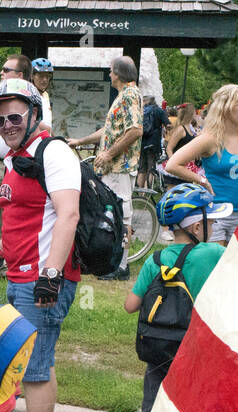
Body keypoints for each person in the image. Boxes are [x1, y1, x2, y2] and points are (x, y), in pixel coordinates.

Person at [0, 78, 80, 412]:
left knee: (34, 371)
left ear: (35, 112)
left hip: (42, 279)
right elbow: (25, 224)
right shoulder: (15, 158)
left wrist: (52, 274)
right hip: (23, 275)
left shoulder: (53, 153)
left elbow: (67, 215)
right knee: (38, 366)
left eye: (14, 116)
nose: (6, 124)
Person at [127, 183, 229, 412]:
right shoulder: (212, 253)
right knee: (192, 402)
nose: (213, 227)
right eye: (211, 222)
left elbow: (130, 305)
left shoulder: (155, 260)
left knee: (154, 390)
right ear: (196, 226)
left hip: (157, 345)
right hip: (193, 346)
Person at [67, 55, 143, 279]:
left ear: (118, 74)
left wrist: (108, 154)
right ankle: (111, 262)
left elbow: (135, 130)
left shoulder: (129, 95)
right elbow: (109, 131)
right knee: (114, 213)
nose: (109, 74)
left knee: (122, 217)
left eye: (111, 71)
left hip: (120, 167)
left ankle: (120, 266)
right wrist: (80, 142)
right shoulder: (125, 96)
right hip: (114, 168)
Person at [165, 83, 238, 245]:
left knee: (235, 267)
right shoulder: (210, 139)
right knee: (214, 265)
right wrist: (201, 180)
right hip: (215, 214)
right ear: (225, 108)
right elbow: (172, 164)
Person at [0, 54, 32, 230]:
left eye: (6, 70)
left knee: (12, 220)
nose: (1, 72)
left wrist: (23, 116)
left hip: (18, 163)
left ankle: (8, 258)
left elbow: (45, 129)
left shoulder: (34, 99)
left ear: (19, 75)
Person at [138, 95, 169, 190]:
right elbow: (168, 124)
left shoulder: (140, 111)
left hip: (142, 142)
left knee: (142, 168)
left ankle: (139, 191)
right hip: (154, 143)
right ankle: (147, 191)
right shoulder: (159, 111)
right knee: (151, 168)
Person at [30, 58, 54, 128]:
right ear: (32, 76)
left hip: (46, 137)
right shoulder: (29, 95)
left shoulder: (45, 95)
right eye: (41, 76)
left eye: (47, 76)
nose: (45, 79)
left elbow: (47, 123)